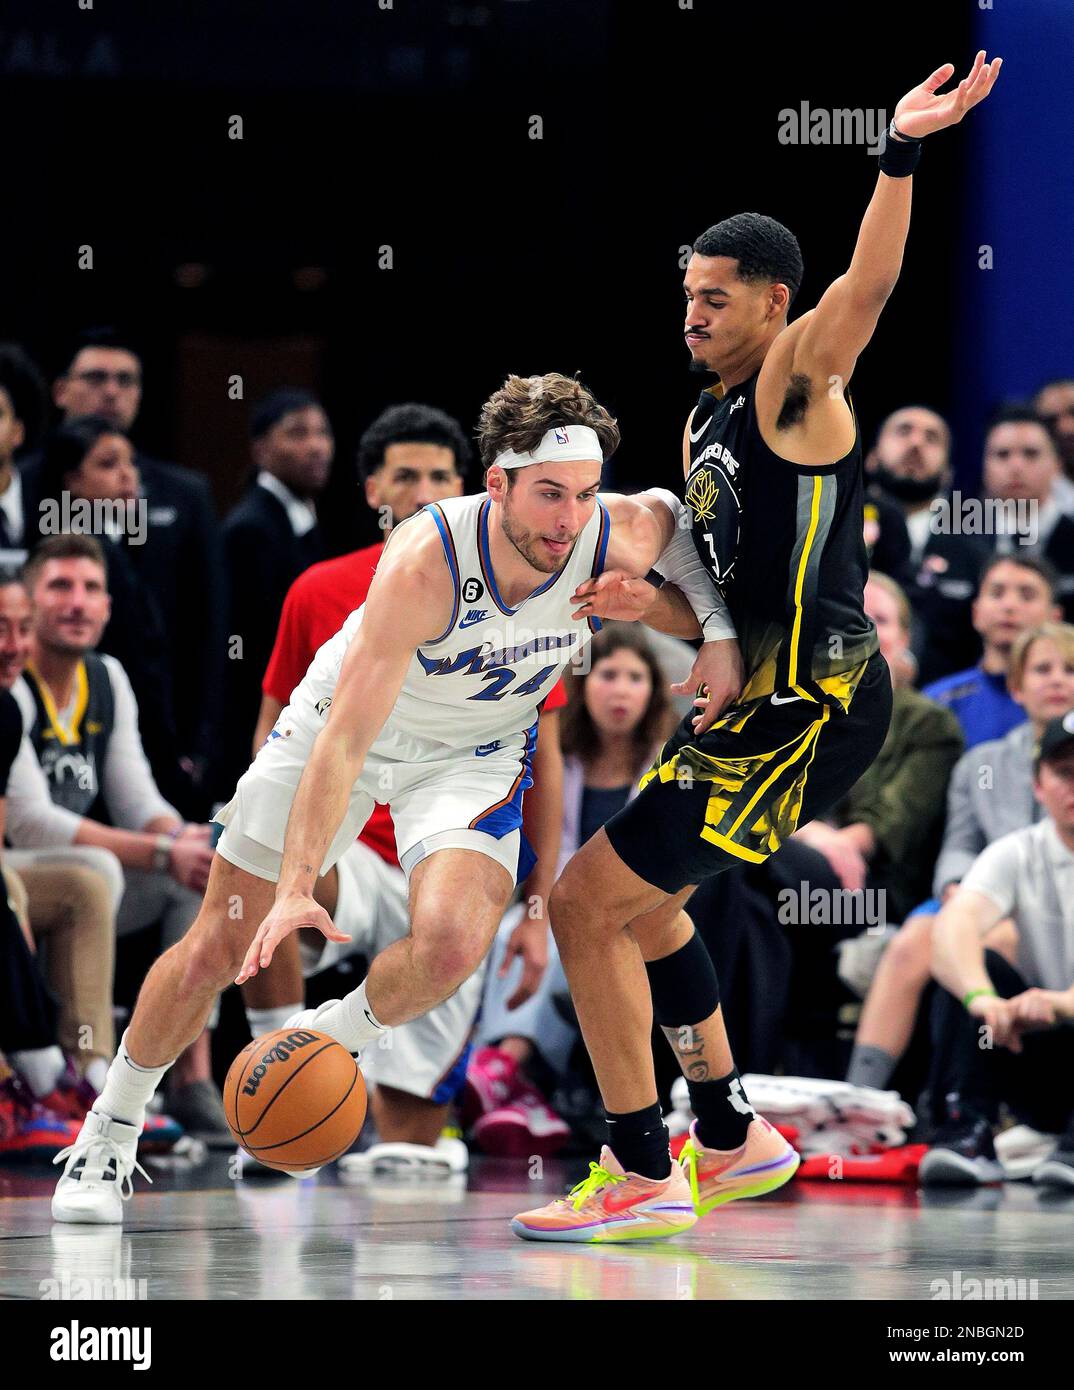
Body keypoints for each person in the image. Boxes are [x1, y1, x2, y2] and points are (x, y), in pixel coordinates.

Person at [512, 51, 1002, 1243]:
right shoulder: (703, 419)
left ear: (775, 303)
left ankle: (641, 1166)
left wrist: (898, 151)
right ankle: (731, 1136)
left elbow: (868, 288)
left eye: (715, 298)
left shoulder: (797, 382)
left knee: (582, 903)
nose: (692, 314)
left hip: (819, 705)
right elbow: (717, 597)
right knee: (646, 909)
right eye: (686, 295)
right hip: (765, 702)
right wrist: (648, 603)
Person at [51, 370, 726, 1225]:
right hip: (349, 729)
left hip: (472, 753)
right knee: (219, 943)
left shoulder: (609, 530)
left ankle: (322, 1041)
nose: (569, 518)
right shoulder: (425, 560)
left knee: (452, 946)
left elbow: (684, 536)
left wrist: (702, 625)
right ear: (497, 484)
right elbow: (343, 742)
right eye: (550, 493)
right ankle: (109, 1128)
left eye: (585, 493)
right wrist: (298, 885)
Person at [3, 539, 224, 1138]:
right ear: (28, 601)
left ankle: (187, 1076)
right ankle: (88, 1073)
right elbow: (30, 821)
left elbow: (136, 798)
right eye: (60, 586)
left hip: (70, 870)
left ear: (108, 606)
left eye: (91, 589)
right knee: (98, 871)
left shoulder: (108, 676)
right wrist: (161, 851)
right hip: (20, 866)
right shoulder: (11, 678)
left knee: (201, 877)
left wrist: (183, 838)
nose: (78, 602)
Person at [467, 624, 680, 1156]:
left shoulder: (670, 763)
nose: (621, 690)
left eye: (635, 677)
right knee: (514, 932)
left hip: (635, 916)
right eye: (608, 675)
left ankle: (504, 1067)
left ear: (653, 691)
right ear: (584, 687)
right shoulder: (563, 759)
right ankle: (515, 1088)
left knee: (575, 932)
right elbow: (550, 850)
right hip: (560, 903)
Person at [846, 621, 1074, 1094]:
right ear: (1016, 687)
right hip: (980, 890)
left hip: (1037, 901)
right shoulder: (981, 763)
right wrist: (956, 884)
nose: (1057, 680)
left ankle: (974, 1098)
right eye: (1042, 669)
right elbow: (960, 843)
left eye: (1070, 670)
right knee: (914, 941)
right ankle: (862, 1098)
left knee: (995, 940)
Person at [23, 328, 226, 812]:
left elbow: (208, 625)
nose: (111, 391)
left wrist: (198, 741)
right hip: (47, 716)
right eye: (96, 378)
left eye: (125, 380)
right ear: (61, 390)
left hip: (155, 721)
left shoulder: (182, 492)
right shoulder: (23, 487)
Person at [922, 712, 1074, 1187]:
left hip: (1058, 1018)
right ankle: (966, 1128)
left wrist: (1058, 1003)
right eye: (1065, 773)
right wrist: (982, 998)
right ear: (1038, 785)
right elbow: (953, 927)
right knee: (974, 967)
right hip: (1041, 1060)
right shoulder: (1018, 851)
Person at [793, 572, 963, 925]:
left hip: (873, 892)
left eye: (880, 620)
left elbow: (892, 821)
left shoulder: (929, 723)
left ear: (904, 639)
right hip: (794, 856)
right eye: (853, 614)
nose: (863, 629)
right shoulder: (797, 707)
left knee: (756, 879)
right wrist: (810, 836)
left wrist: (831, 846)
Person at [216, 389, 333, 798]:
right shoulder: (252, 529)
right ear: (261, 448)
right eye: (298, 433)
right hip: (257, 718)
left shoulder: (299, 517)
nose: (316, 445)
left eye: (322, 432)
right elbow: (250, 646)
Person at [865, 404, 990, 685]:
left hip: (943, 699)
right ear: (871, 458)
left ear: (948, 473)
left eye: (932, 438)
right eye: (903, 431)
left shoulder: (975, 549)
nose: (916, 443)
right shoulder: (836, 525)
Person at [921, 555, 1060, 748]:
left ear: (1055, 617)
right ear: (976, 612)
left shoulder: (1065, 696)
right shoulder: (937, 702)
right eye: (997, 593)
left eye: (1027, 596)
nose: (1009, 605)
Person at [982, 405, 1074, 619]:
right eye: (1002, 454)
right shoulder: (959, 540)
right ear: (985, 466)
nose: (1016, 466)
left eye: (1031, 454)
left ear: (1057, 465)